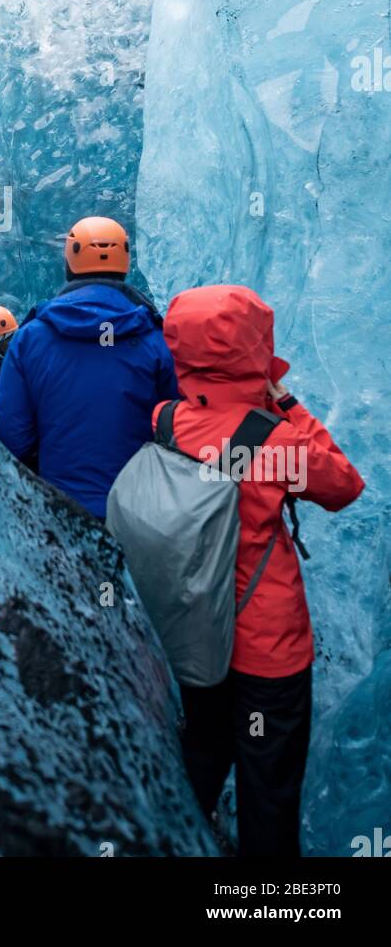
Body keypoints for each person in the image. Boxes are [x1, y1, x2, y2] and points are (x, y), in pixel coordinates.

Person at [156, 284, 364, 857]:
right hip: (267, 646)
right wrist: (286, 403)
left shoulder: (166, 419)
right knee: (268, 787)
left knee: (204, 751)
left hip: (199, 635)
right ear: (254, 348)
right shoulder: (273, 439)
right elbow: (344, 485)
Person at [0, 216, 178, 517]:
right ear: (125, 262)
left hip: (61, 511)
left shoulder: (30, 338)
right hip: (142, 515)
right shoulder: (156, 338)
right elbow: (176, 431)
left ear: (70, 260)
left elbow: (11, 436)